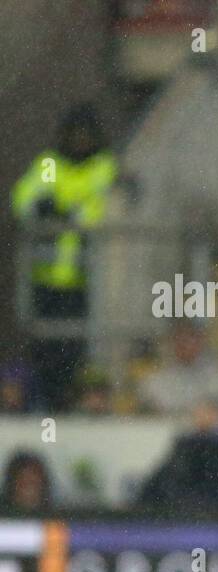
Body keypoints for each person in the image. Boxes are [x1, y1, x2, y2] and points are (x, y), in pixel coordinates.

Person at [10, 103, 118, 410]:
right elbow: (24, 197)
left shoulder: (103, 164)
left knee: (76, 351)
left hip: (82, 280)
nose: (80, 140)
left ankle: (72, 406)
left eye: (86, 134)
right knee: (45, 349)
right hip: (46, 279)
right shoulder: (51, 163)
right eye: (75, 134)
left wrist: (64, 212)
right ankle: (46, 406)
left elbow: (97, 207)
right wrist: (44, 207)